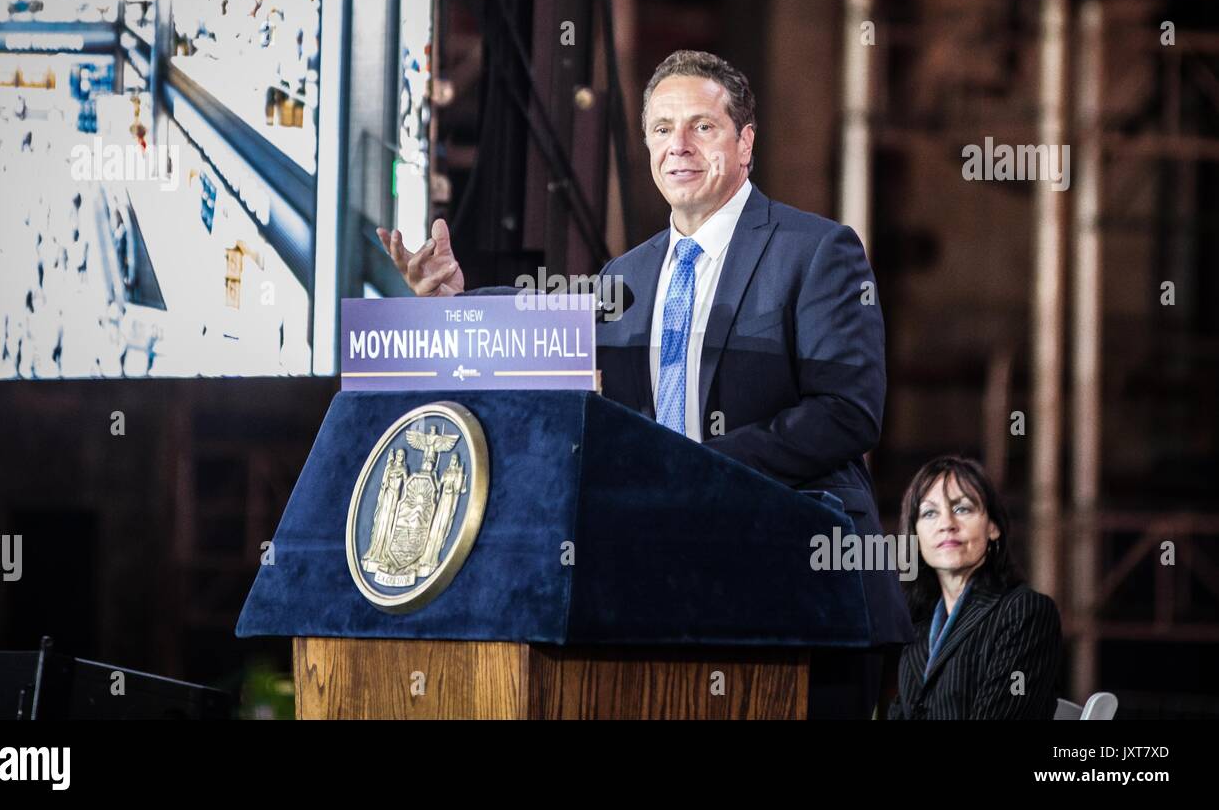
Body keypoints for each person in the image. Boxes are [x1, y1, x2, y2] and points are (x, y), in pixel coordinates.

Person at [377, 49, 913, 716]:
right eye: (662, 129)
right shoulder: (624, 277)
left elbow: (848, 412)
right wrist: (455, 303)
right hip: (670, 596)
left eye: (701, 127)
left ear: (746, 142)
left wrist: (696, 466)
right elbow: (539, 337)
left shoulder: (817, 250)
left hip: (806, 591)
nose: (678, 146)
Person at [888, 456, 1062, 719]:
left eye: (962, 509)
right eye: (929, 513)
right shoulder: (917, 627)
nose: (946, 524)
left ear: (993, 527)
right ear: (915, 536)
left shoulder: (1026, 612)